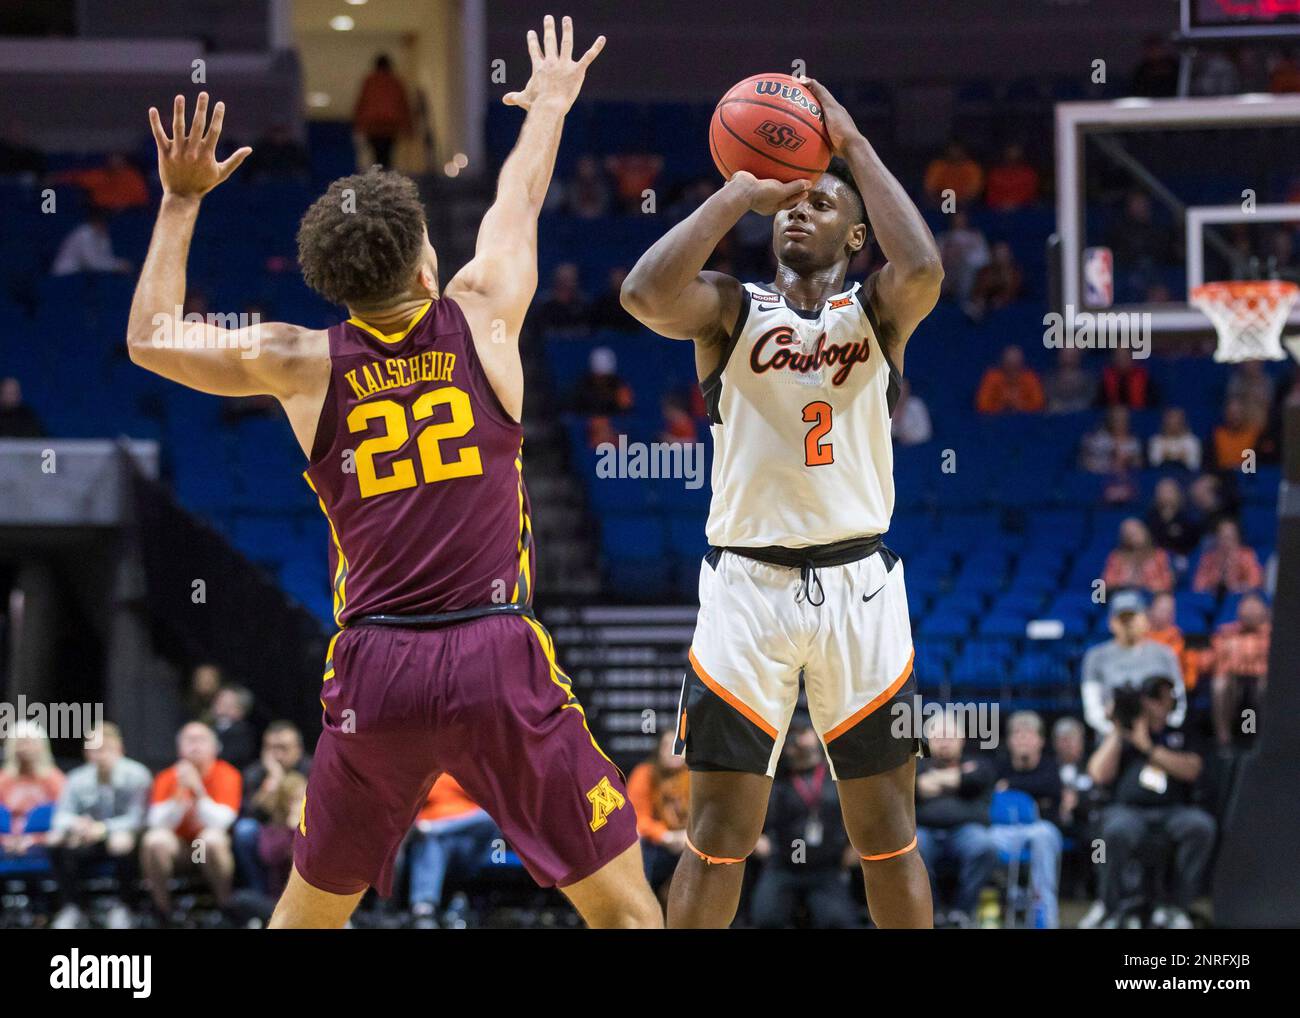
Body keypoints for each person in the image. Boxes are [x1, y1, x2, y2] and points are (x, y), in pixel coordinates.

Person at [125, 19, 658, 930]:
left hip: (377, 669)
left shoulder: (299, 360)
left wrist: (179, 201)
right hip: (493, 651)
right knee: (627, 914)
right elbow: (518, 197)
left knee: (305, 920)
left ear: (334, 286)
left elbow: (150, 338)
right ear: (425, 258)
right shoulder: (484, 313)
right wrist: (550, 107)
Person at [621, 74, 942, 929]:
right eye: (789, 203)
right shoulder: (731, 308)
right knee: (717, 833)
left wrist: (854, 146)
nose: (798, 211)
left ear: (856, 230)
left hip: (859, 588)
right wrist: (735, 194)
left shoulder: (877, 310)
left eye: (822, 201)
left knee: (887, 832)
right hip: (747, 592)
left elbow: (924, 267)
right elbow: (644, 295)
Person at [1084, 676, 1214, 929]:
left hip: (1173, 811)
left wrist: (1148, 748)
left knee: (1202, 827)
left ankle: (1175, 907)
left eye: (1164, 699)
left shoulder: (1179, 732)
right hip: (1127, 812)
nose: (1160, 705)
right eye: (1154, 699)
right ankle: (1108, 905)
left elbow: (1193, 770)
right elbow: (1097, 774)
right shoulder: (1121, 734)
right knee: (1112, 832)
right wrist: (1119, 730)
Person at [750, 718, 859, 929]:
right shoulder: (773, 777)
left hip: (826, 867)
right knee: (765, 920)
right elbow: (745, 813)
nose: (798, 741)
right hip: (781, 865)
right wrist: (755, 841)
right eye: (792, 736)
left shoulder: (837, 773)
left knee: (837, 922)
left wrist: (855, 849)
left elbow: (862, 812)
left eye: (803, 733)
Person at [47, 723, 152, 930]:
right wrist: (76, 825)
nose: (99, 755)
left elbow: (139, 818)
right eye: (94, 750)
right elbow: (60, 817)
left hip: (126, 840)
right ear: (86, 753)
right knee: (55, 839)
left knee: (121, 841)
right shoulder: (77, 778)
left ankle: (125, 906)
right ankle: (73, 907)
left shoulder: (137, 775)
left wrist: (104, 828)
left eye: (105, 749)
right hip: (88, 839)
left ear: (119, 749)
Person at [140, 722, 242, 919]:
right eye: (189, 740)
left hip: (206, 850)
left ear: (215, 747)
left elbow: (222, 822)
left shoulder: (227, 774)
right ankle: (164, 911)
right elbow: (156, 822)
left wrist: (198, 791)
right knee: (154, 840)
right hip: (179, 850)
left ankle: (226, 909)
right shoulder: (167, 776)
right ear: (179, 748)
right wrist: (178, 795)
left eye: (201, 740)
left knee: (211, 838)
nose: (195, 745)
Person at [914, 715, 998, 927]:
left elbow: (974, 780)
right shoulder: (914, 768)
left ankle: (962, 911)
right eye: (938, 736)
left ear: (962, 739)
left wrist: (935, 781)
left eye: (950, 736)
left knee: (984, 845)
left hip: (966, 832)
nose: (944, 741)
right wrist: (957, 781)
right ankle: (933, 913)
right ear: (927, 741)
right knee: (913, 850)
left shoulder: (979, 764)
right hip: (924, 831)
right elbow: (911, 788)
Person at [991, 711, 1064, 928]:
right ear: (1010, 741)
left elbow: (1050, 788)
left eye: (1029, 734)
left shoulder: (1051, 767)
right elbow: (990, 794)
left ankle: (1045, 913)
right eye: (1017, 733)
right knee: (983, 841)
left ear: (1041, 740)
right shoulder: (999, 765)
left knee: (1043, 836)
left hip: (1039, 829)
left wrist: (1010, 787)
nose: (1022, 738)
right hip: (1003, 831)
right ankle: (999, 904)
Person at [1080, 590, 1186, 735]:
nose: (1128, 624)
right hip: (1113, 733)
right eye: (1123, 619)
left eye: (1133, 617)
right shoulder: (1095, 656)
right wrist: (1116, 732)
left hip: (1158, 733)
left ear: (1145, 619)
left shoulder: (1165, 654)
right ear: (1111, 622)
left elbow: (1178, 699)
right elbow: (1092, 708)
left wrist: (1165, 727)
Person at [407, 774, 500, 927]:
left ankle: (439, 829)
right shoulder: (422, 768)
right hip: (433, 840)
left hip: (469, 840)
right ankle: (424, 910)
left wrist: (438, 827)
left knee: (492, 817)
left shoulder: (471, 765)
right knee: (431, 841)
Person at [234, 722, 311, 895]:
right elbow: (251, 813)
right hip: (269, 832)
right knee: (244, 830)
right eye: (270, 748)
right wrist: (274, 781)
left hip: (303, 830)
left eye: (283, 748)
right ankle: (260, 894)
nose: (277, 754)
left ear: (298, 748)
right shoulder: (255, 773)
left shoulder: (313, 769)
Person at [627, 729, 690, 901]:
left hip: (690, 843)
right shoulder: (645, 773)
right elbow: (637, 820)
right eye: (667, 746)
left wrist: (688, 837)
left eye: (677, 746)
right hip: (657, 845)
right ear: (658, 749)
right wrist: (666, 836)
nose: (672, 751)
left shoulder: (695, 777)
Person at [1209, 591, 1271, 753]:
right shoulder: (1226, 633)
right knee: (1219, 685)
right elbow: (1218, 662)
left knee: (1263, 686)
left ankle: (1259, 739)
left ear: (1264, 611)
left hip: (1259, 683)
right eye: (1246, 607)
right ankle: (1224, 741)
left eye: (1254, 607)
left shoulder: (1272, 635)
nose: (1249, 612)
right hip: (1234, 683)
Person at [0, 720, 65, 856]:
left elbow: (63, 818)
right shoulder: (4, 780)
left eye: (29, 743)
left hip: (44, 847)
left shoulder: (54, 780)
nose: (24, 748)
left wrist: (34, 839)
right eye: (20, 743)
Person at [352, 54, 412, 168]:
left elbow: (361, 103)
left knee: (376, 155)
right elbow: (403, 104)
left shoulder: (369, 81)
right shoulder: (395, 82)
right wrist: (408, 127)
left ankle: (378, 177)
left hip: (372, 126)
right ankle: (385, 177)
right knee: (387, 155)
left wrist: (358, 125)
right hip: (391, 126)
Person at [1192, 518, 1264, 595]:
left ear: (1237, 538)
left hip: (1239, 599)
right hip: (1213, 600)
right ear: (1217, 538)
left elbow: (1256, 581)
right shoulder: (1209, 558)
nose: (1226, 542)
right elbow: (1198, 586)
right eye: (1222, 537)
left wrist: (1238, 586)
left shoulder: (1247, 556)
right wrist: (1218, 571)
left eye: (1230, 538)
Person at [1102, 518, 1173, 594]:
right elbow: (1107, 583)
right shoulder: (1117, 557)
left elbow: (1167, 583)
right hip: (1124, 596)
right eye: (1129, 533)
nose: (1134, 535)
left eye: (1137, 531)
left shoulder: (1159, 555)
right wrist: (1125, 582)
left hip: (1153, 596)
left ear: (1145, 532)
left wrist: (1145, 584)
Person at [50, 210, 132, 276]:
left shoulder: (103, 234)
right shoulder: (84, 233)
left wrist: (120, 265)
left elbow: (106, 258)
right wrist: (118, 266)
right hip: (65, 276)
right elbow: (91, 262)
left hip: (84, 276)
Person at [1145, 478, 1201, 566]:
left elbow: (1192, 541)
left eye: (1169, 491)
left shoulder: (1187, 517)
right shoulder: (1151, 517)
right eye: (1162, 491)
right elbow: (1149, 540)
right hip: (1155, 558)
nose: (1165, 495)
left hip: (1183, 558)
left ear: (1177, 494)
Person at [974, 344, 1045, 414]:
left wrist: (1020, 405)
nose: (1012, 371)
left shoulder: (1030, 378)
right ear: (1003, 364)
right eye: (1009, 365)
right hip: (996, 421)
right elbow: (982, 405)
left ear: (1022, 365)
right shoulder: (992, 378)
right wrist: (1002, 404)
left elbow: (1039, 404)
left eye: (1016, 366)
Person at [1080, 404, 1143, 474]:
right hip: (1099, 479)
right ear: (1110, 420)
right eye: (1117, 419)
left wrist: (1130, 461)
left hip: (1126, 480)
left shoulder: (1133, 442)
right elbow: (1086, 463)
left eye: (1123, 419)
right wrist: (1108, 464)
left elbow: (1138, 465)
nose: (1120, 423)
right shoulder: (1098, 440)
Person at [210, 685, 257, 770]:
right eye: (218, 702)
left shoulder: (243, 733)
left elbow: (233, 757)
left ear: (241, 710)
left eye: (226, 704)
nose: (218, 706)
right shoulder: (208, 727)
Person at [923, 140, 983, 206]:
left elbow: (973, 192)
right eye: (953, 149)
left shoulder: (971, 168)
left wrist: (957, 203)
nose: (955, 152)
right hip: (940, 204)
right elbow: (931, 189)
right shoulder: (938, 166)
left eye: (957, 149)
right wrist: (945, 201)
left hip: (964, 205)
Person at [983, 143, 1038, 211]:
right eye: (1009, 153)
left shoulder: (1029, 174)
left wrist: (1016, 205)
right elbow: (991, 196)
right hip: (998, 212)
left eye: (1015, 153)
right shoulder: (994, 174)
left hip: (1023, 211)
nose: (1012, 157)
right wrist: (1003, 205)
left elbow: (1030, 196)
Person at [1043, 347, 1098, 414]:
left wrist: (1075, 407)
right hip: (1056, 418)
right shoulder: (1050, 380)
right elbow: (1049, 399)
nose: (1068, 358)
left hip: (1081, 417)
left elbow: (1090, 400)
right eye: (1065, 353)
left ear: (1078, 356)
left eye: (1071, 354)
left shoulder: (1089, 380)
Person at [1148, 406, 1201, 471]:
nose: (1173, 425)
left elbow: (1194, 465)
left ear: (1183, 422)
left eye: (1177, 422)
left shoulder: (1192, 440)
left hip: (1186, 476)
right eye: (1170, 421)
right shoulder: (1156, 440)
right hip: (1161, 475)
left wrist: (1168, 455)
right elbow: (1154, 463)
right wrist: (1180, 456)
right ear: (1165, 423)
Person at [891, 377, 932, 446]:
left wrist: (907, 436)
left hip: (915, 449)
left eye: (903, 390)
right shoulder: (882, 407)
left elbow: (926, 432)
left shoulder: (916, 405)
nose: (900, 393)